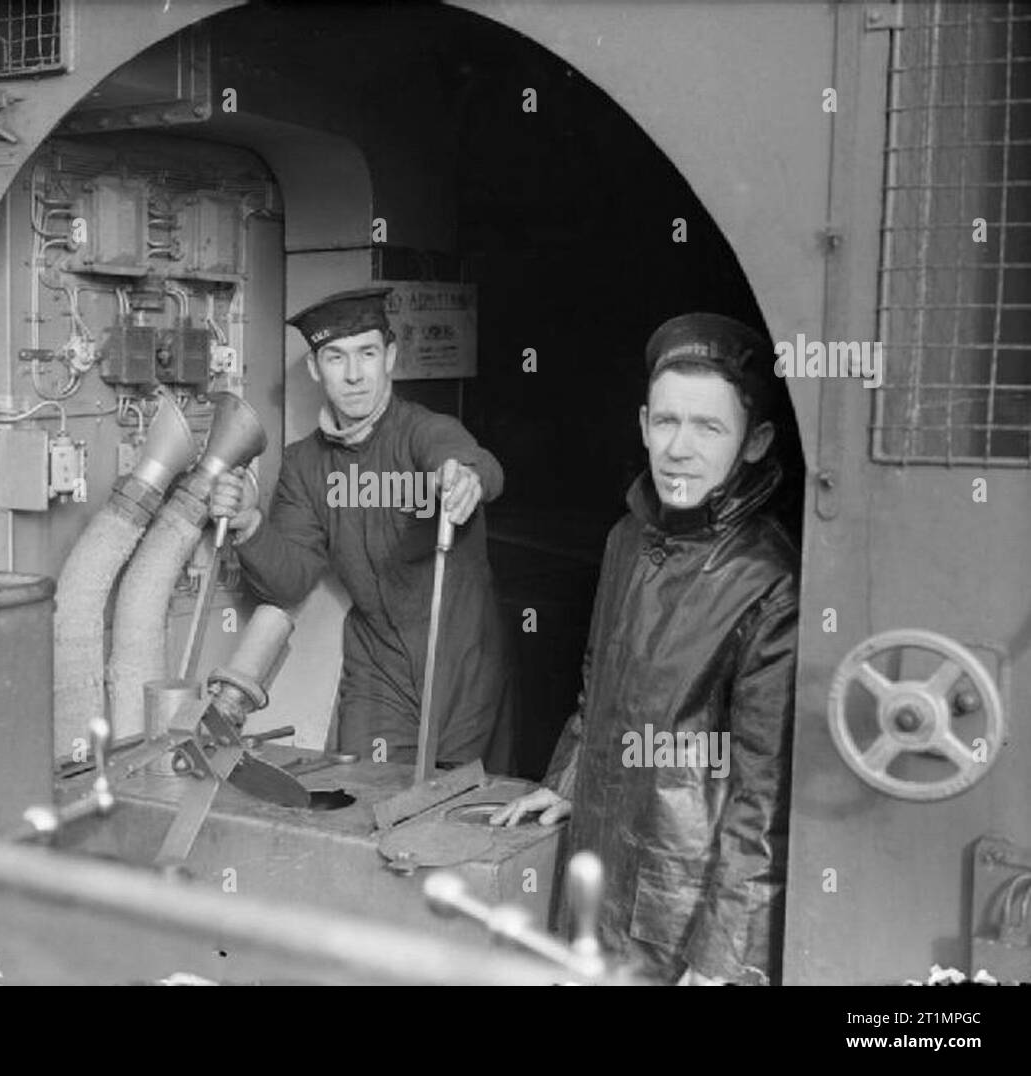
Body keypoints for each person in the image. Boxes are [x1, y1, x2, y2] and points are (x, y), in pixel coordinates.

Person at [491, 312, 798, 986]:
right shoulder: (626, 539)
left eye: (708, 427)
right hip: (600, 869)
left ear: (757, 441)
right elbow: (597, 684)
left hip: (679, 910)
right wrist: (568, 781)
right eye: (665, 422)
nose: (678, 448)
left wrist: (719, 962)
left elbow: (763, 798)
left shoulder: (769, 581)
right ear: (642, 424)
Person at [209, 287, 516, 770]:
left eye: (367, 354)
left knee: (464, 806)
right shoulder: (305, 465)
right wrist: (250, 525)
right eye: (336, 357)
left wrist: (465, 476)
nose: (354, 375)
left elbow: (468, 458)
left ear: (390, 357)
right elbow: (292, 580)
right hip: (378, 670)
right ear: (314, 368)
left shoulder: (422, 432)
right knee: (366, 790)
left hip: (460, 661)